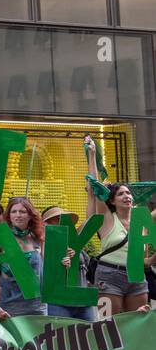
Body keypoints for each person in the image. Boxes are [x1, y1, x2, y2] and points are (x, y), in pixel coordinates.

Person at [84, 136, 150, 315]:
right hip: (109, 276)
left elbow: (143, 259)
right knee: (111, 328)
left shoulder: (140, 222)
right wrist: (92, 154)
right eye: (121, 194)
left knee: (136, 325)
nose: (127, 196)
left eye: (129, 193)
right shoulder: (107, 217)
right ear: (112, 200)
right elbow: (95, 187)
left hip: (137, 278)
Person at [0, 192, 45, 317]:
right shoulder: (0, 236)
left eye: (22, 212)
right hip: (8, 307)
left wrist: (64, 262)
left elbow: (49, 268)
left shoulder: (38, 238)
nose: (18, 215)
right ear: (8, 215)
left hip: (37, 306)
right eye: (14, 211)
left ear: (30, 215)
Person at [42, 205, 95, 322]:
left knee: (89, 336)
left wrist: (91, 193)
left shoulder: (75, 239)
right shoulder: (41, 243)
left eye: (64, 219)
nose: (62, 222)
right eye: (57, 219)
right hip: (58, 301)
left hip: (82, 300)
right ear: (46, 224)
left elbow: (90, 220)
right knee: (61, 337)